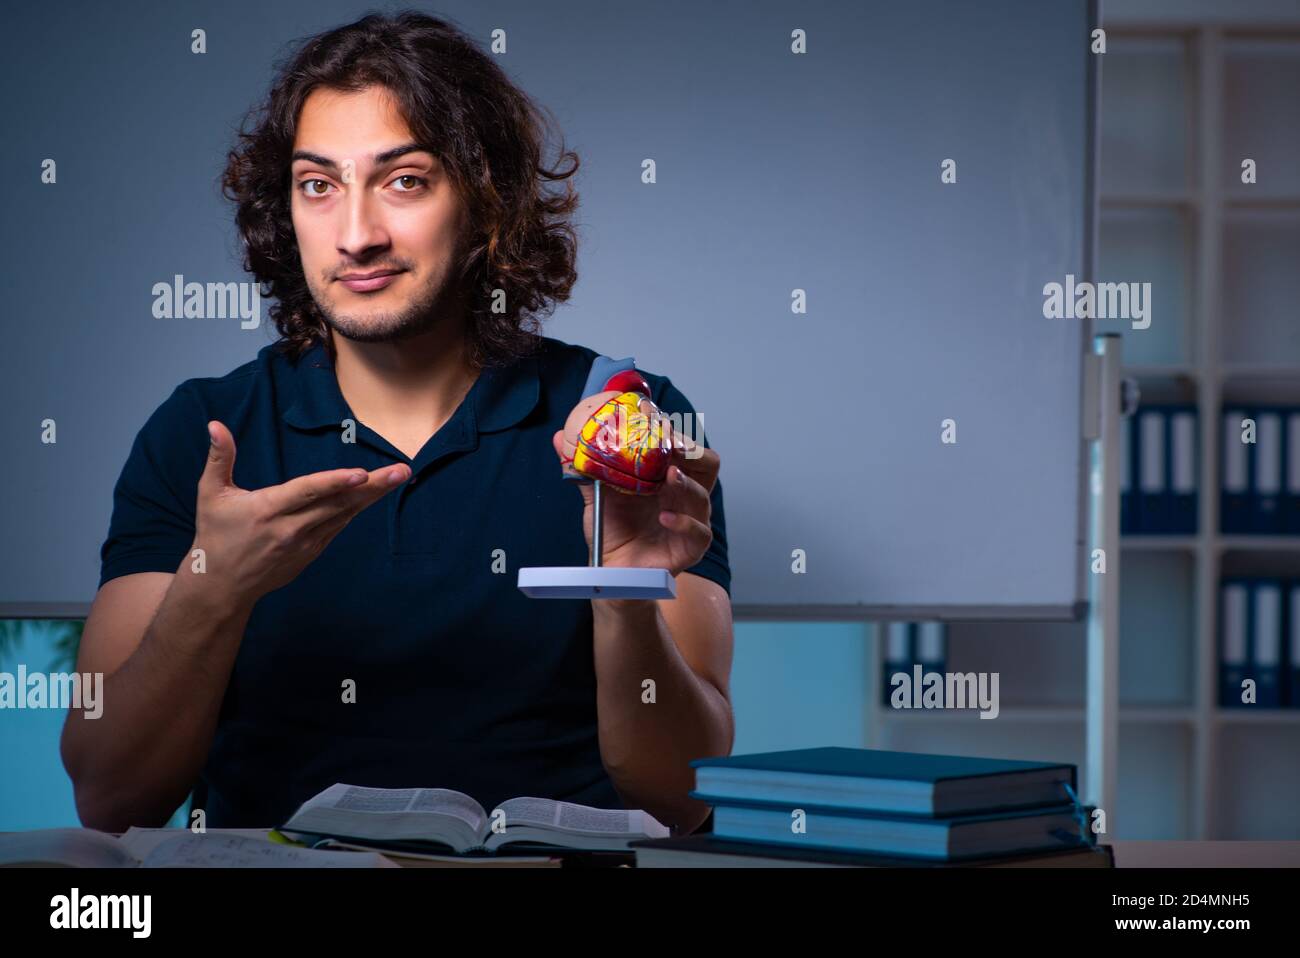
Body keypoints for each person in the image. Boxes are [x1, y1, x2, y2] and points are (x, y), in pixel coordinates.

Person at [60, 11, 733, 835]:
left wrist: (622, 589)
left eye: (405, 180)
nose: (357, 234)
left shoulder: (626, 422)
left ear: (485, 202)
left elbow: (686, 798)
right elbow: (109, 798)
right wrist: (213, 589)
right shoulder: (203, 432)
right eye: (319, 185)